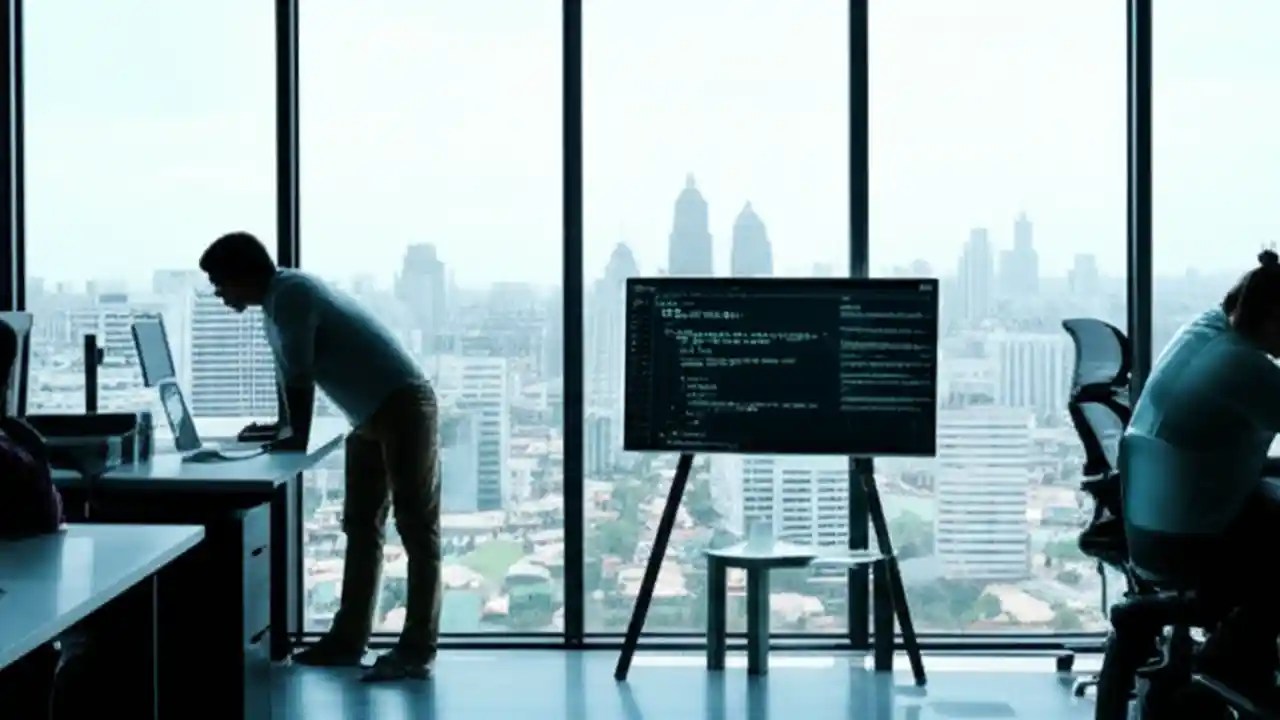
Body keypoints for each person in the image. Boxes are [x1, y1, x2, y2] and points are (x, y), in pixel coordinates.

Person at [199, 231, 441, 682]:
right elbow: (291, 371)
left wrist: (292, 439)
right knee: (361, 526)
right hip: (368, 413)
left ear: (241, 274)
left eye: (219, 282)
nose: (218, 293)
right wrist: (281, 428)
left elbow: (302, 377)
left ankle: (416, 651)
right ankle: (348, 641)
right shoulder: (275, 301)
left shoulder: (290, 294)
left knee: (416, 528)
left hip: (401, 405)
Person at [1125, 248, 1280, 697]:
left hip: (1159, 521)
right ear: (1271, 317)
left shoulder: (1203, 331)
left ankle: (1240, 651)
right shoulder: (1241, 366)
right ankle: (1230, 658)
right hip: (1192, 537)